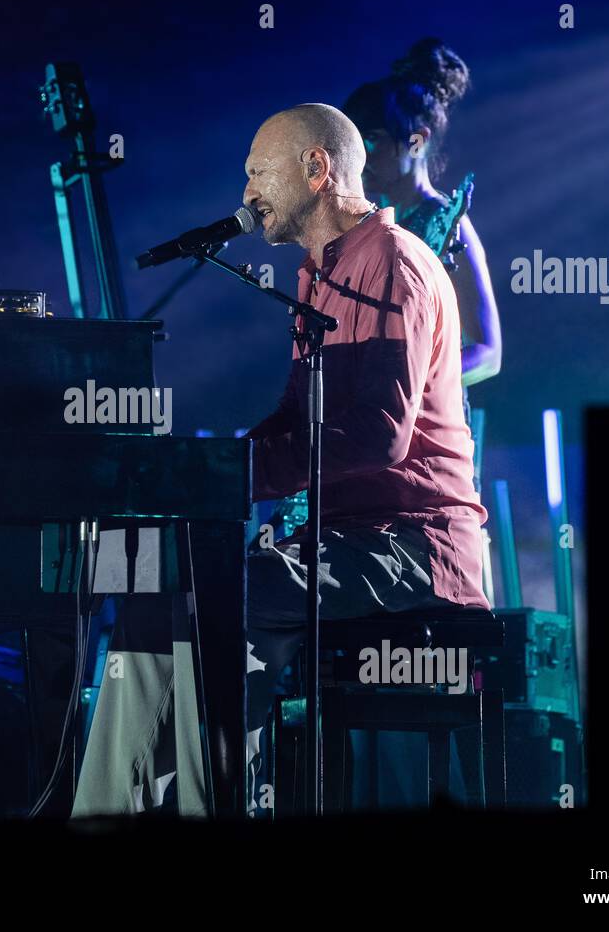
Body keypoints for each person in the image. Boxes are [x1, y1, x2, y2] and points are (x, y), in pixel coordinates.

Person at [72, 104, 488, 816]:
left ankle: (217, 806)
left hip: (415, 547)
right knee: (153, 587)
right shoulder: (316, 275)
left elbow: (379, 437)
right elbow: (298, 424)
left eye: (257, 173)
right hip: (346, 539)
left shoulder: (390, 264)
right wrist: (195, 475)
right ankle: (108, 811)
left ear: (317, 170)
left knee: (216, 596)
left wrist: (232, 478)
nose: (246, 195)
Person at [343, 38, 501, 396]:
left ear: (418, 140)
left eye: (371, 139)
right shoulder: (362, 226)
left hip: (428, 426)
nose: (360, 155)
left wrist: (405, 381)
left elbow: (489, 353)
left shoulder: (450, 223)